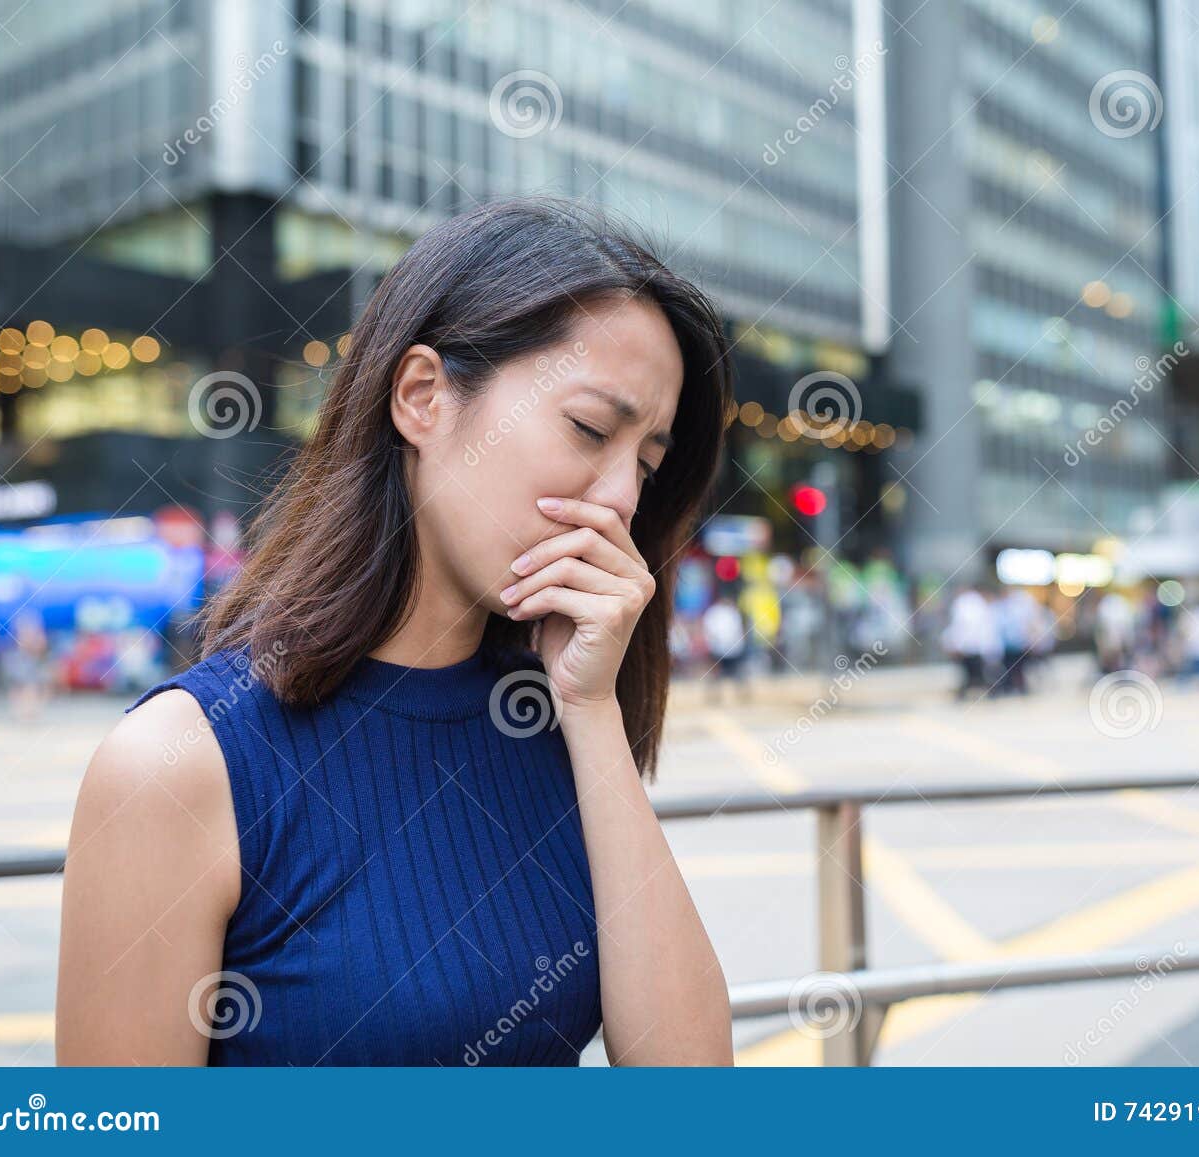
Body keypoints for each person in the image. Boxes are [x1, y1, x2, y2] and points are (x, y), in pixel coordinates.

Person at [56, 197, 734, 1066]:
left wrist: (592, 709)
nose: (620, 501)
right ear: (422, 397)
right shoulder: (181, 763)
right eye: (589, 430)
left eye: (645, 464)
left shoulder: (554, 717)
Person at [701, 592, 750, 704]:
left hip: (733, 648)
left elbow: (738, 631)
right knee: (716, 674)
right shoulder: (714, 612)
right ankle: (713, 696)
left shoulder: (733, 612)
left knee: (738, 673)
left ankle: (743, 696)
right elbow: (710, 632)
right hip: (719, 648)